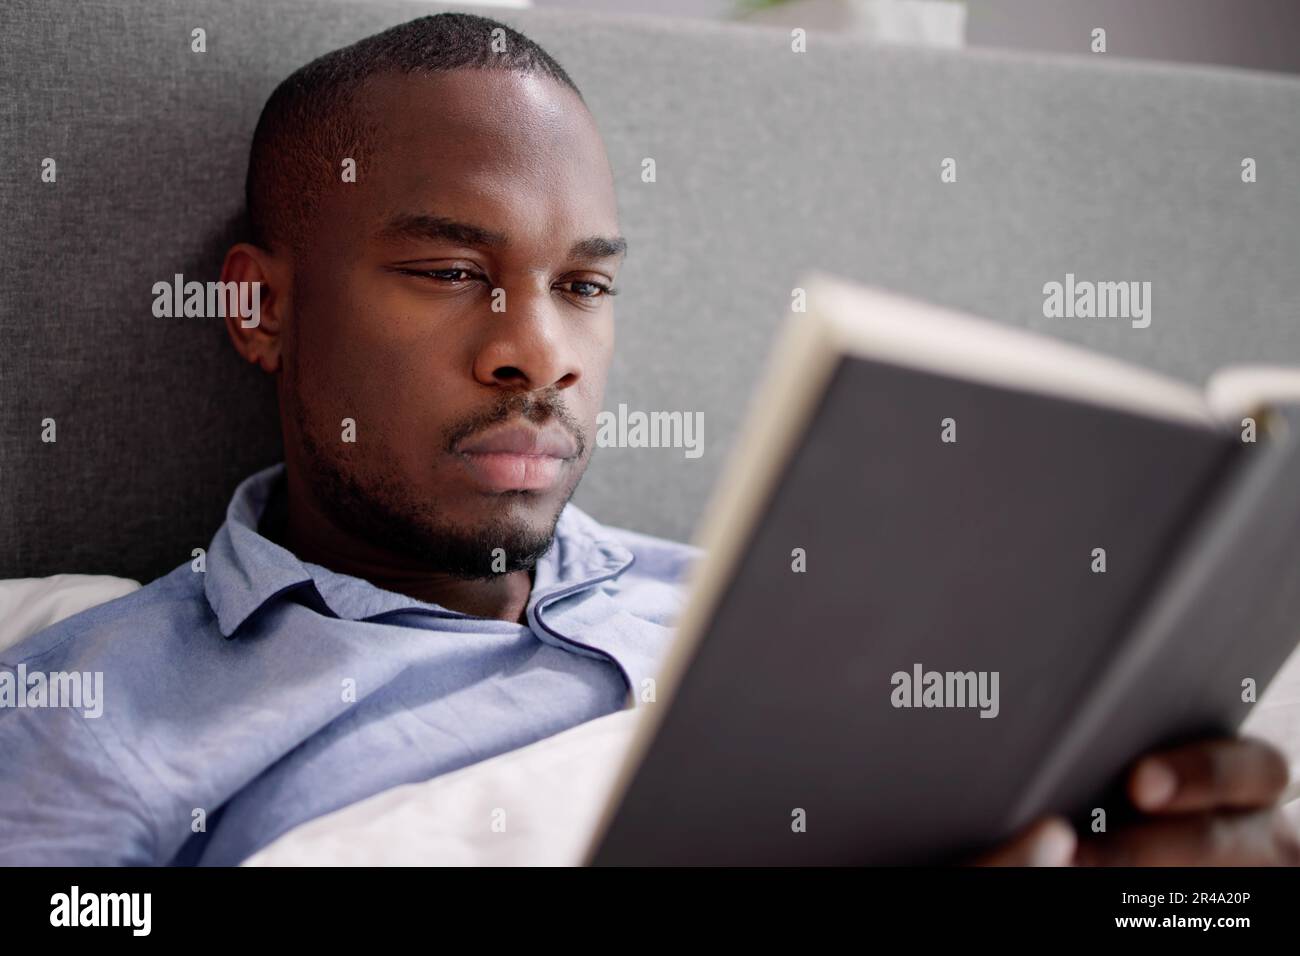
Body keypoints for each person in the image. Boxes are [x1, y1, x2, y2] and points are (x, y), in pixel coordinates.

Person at [0, 13, 1294, 867]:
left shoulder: (777, 616)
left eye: (588, 285)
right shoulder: (97, 713)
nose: (540, 351)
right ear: (263, 309)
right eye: (451, 272)